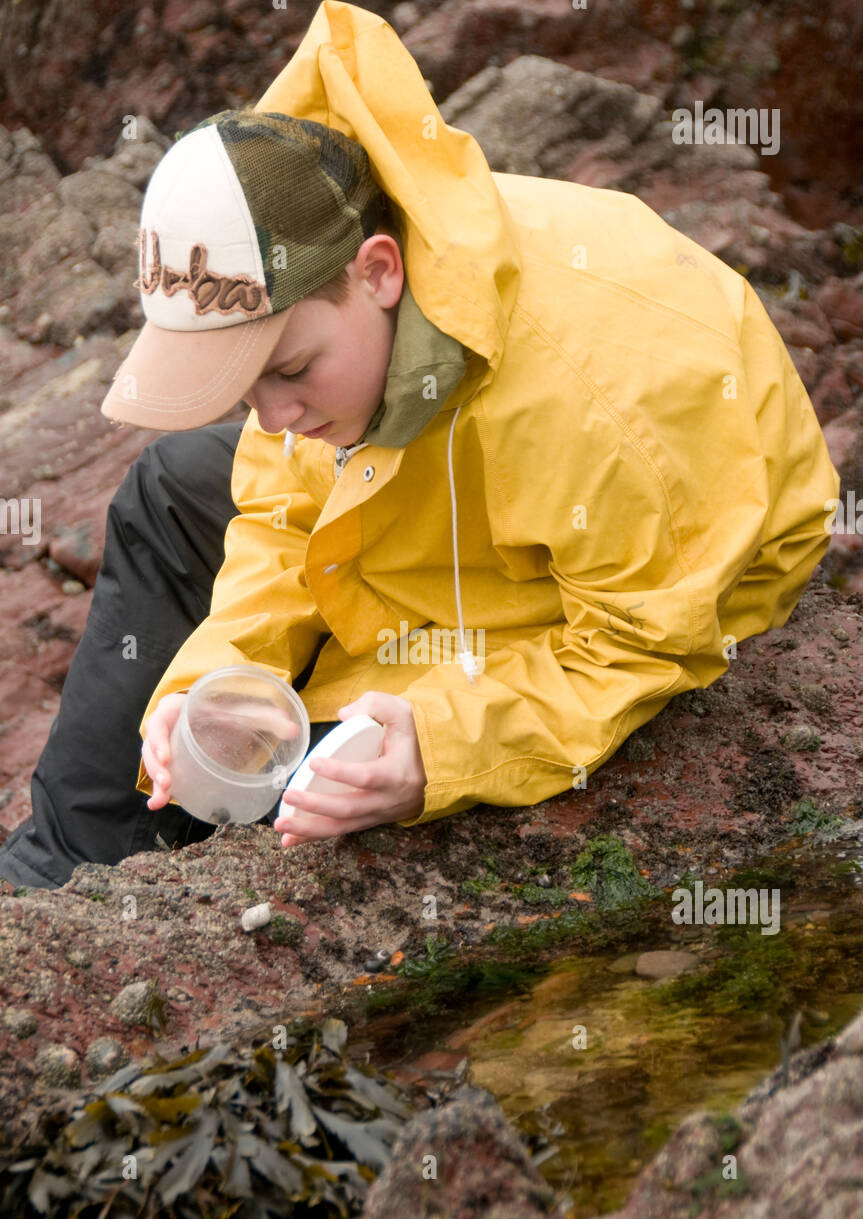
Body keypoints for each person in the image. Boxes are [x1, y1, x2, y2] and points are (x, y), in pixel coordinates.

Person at [0, 0, 838, 889]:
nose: (273, 416)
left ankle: (197, 852)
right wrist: (215, 680)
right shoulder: (325, 319)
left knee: (335, 774)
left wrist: (435, 750)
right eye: (242, 389)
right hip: (436, 525)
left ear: (377, 271)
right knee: (175, 485)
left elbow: (638, 643)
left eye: (288, 370)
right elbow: (284, 514)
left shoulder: (597, 402)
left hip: (618, 590)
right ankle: (49, 881)